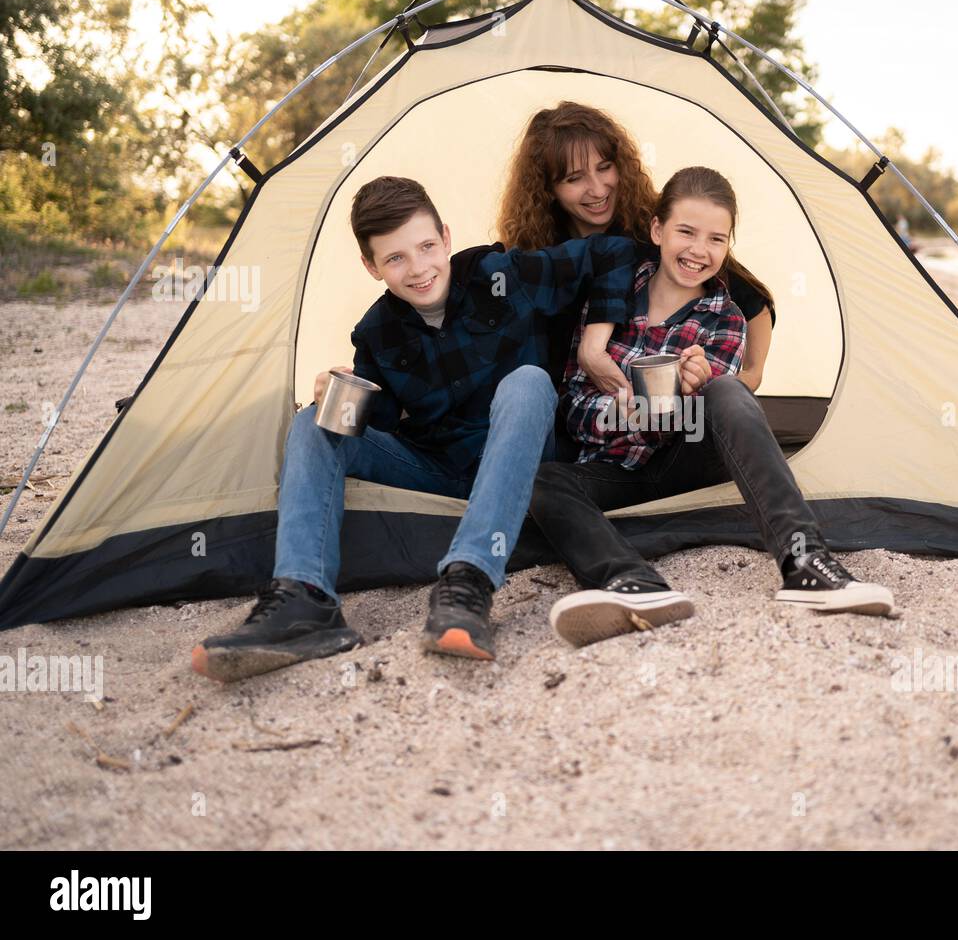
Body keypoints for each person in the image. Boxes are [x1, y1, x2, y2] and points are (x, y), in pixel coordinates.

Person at [190, 175, 635, 681]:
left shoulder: (502, 272)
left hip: (525, 459)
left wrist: (592, 346)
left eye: (426, 247)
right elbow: (372, 428)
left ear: (445, 237)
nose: (419, 268)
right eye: (396, 258)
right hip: (438, 467)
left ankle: (467, 583)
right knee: (317, 421)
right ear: (371, 266)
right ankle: (304, 600)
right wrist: (335, 393)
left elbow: (615, 252)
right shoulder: (376, 332)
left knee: (529, 380)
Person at [528, 167, 896, 649]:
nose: (699, 250)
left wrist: (689, 395)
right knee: (542, 479)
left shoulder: (725, 318)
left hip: (684, 459)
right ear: (658, 231)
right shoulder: (612, 293)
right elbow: (574, 406)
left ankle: (806, 563)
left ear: (727, 246)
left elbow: (713, 420)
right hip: (613, 468)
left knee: (727, 391)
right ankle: (633, 583)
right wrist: (618, 411)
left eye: (716, 239)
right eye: (686, 232)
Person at [496, 101, 775, 396]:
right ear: (547, 188)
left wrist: (752, 375)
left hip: (650, 409)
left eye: (605, 168)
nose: (598, 189)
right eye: (575, 178)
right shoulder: (541, 249)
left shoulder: (656, 232)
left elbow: (754, 303)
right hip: (570, 405)